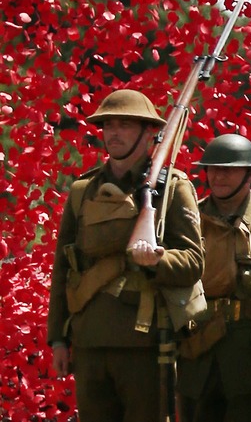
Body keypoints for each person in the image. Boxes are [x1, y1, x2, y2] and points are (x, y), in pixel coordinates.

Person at [46, 88, 205, 422]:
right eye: (108, 125)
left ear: (149, 132)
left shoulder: (172, 188)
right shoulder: (82, 191)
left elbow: (193, 261)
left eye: (125, 124)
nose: (114, 132)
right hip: (89, 341)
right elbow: (64, 267)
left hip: (144, 344)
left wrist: (157, 261)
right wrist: (59, 338)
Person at [177, 134, 251, 422]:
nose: (218, 176)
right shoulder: (190, 219)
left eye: (228, 169)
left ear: (249, 174)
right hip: (198, 357)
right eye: (213, 168)